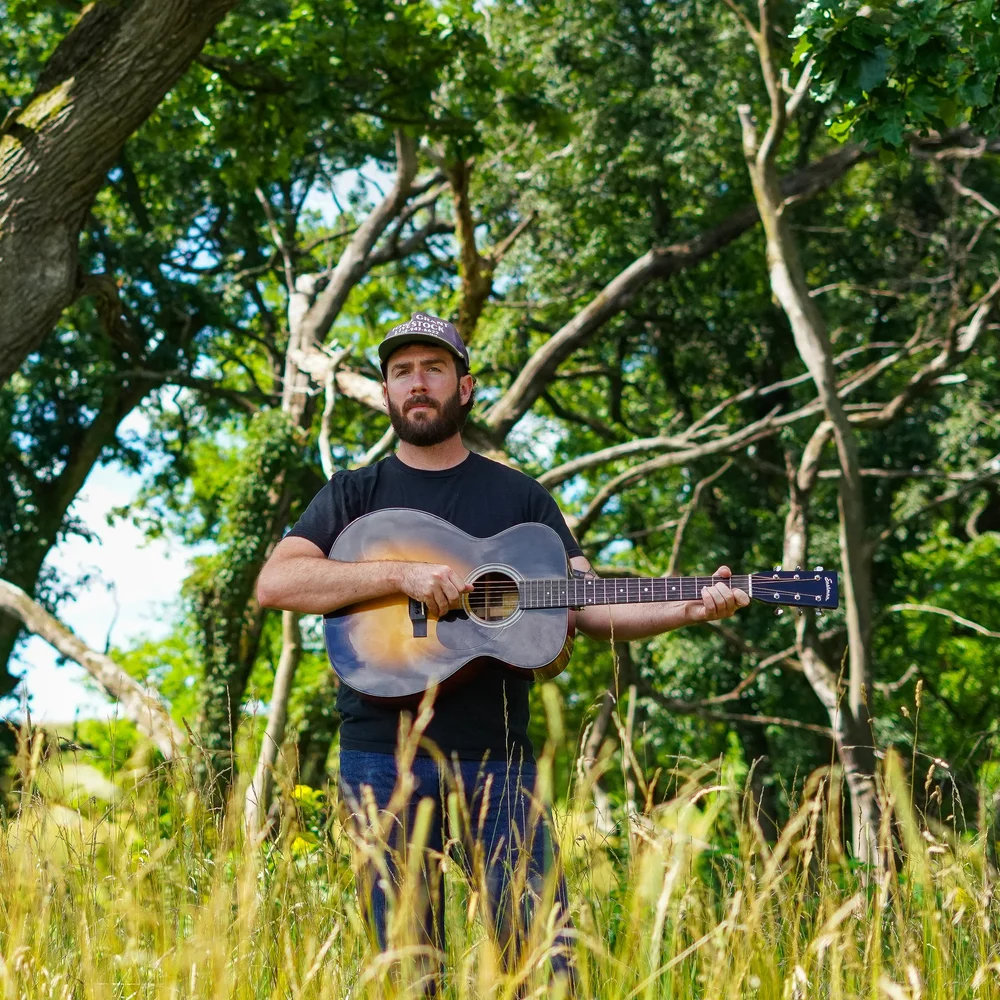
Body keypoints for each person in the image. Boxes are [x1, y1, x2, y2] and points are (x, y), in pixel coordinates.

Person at [255, 312, 750, 991]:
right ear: (389, 390)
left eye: (433, 369)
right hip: (381, 756)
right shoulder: (353, 494)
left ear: (466, 386)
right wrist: (399, 576)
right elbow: (279, 581)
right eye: (402, 372)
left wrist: (688, 606)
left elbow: (584, 601)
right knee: (408, 970)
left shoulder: (520, 499)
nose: (417, 383)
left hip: (502, 761)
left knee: (544, 965)